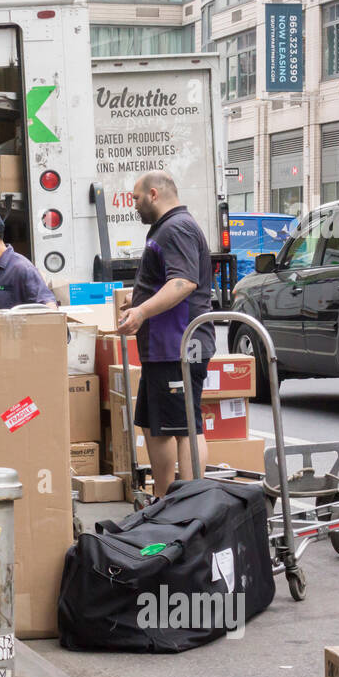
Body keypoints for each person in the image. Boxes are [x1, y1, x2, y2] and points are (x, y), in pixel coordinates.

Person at [114, 170, 214, 497]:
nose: (134, 205)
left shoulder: (176, 228)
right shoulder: (166, 229)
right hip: (164, 347)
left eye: (137, 198)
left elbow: (183, 282)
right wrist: (139, 298)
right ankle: (164, 499)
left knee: (185, 428)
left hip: (179, 346)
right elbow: (168, 281)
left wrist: (142, 310)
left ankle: (189, 506)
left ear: (154, 194)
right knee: (154, 426)